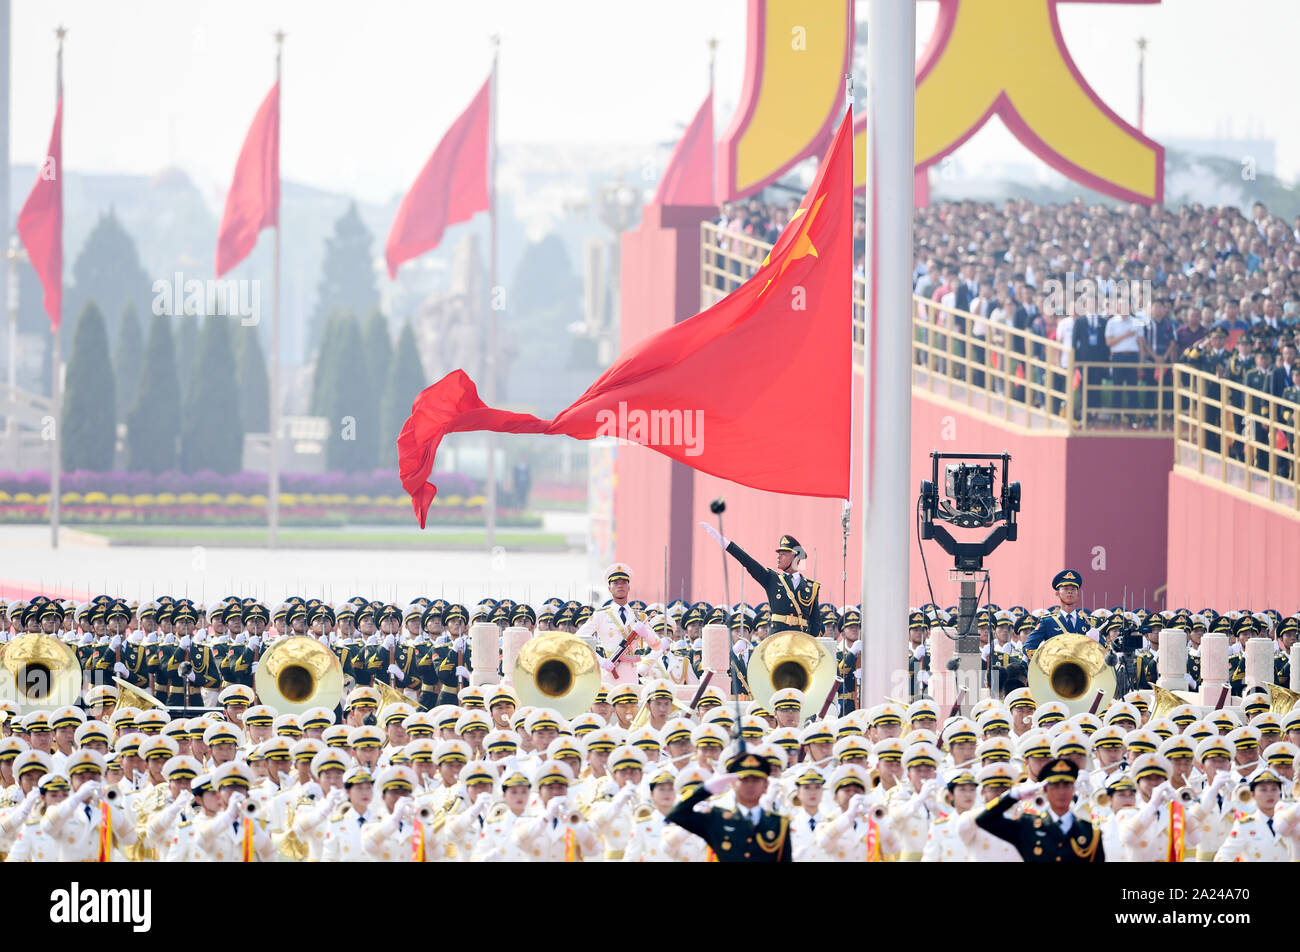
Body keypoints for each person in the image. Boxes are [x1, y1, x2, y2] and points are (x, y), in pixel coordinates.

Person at [665, 750, 792, 862]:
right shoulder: (717, 819)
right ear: (733, 784)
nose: (750, 785)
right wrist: (705, 789)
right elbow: (677, 815)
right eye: (744, 780)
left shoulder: (779, 823)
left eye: (755, 780)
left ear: (765, 786)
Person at [698, 527, 823, 637]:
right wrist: (725, 543)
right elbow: (747, 561)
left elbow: (815, 623)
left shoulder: (811, 587)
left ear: (796, 557)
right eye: (779, 554)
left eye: (783, 554)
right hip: (777, 642)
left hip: (801, 642)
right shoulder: (772, 579)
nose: (778, 557)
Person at [974, 757, 1104, 862]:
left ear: (1073, 790)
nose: (1061, 792)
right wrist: (1014, 795)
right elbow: (984, 820)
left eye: (1066, 786)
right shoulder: (1027, 825)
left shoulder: (1090, 831)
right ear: (1045, 791)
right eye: (1055, 786)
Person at [1024, 571, 1089, 652]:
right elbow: (1028, 648)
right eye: (1065, 589)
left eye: (1073, 589)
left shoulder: (1087, 622)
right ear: (1057, 594)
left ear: (1077, 594)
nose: (1070, 592)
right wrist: (1046, 659)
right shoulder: (1047, 622)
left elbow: (1105, 650)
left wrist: (1095, 641)